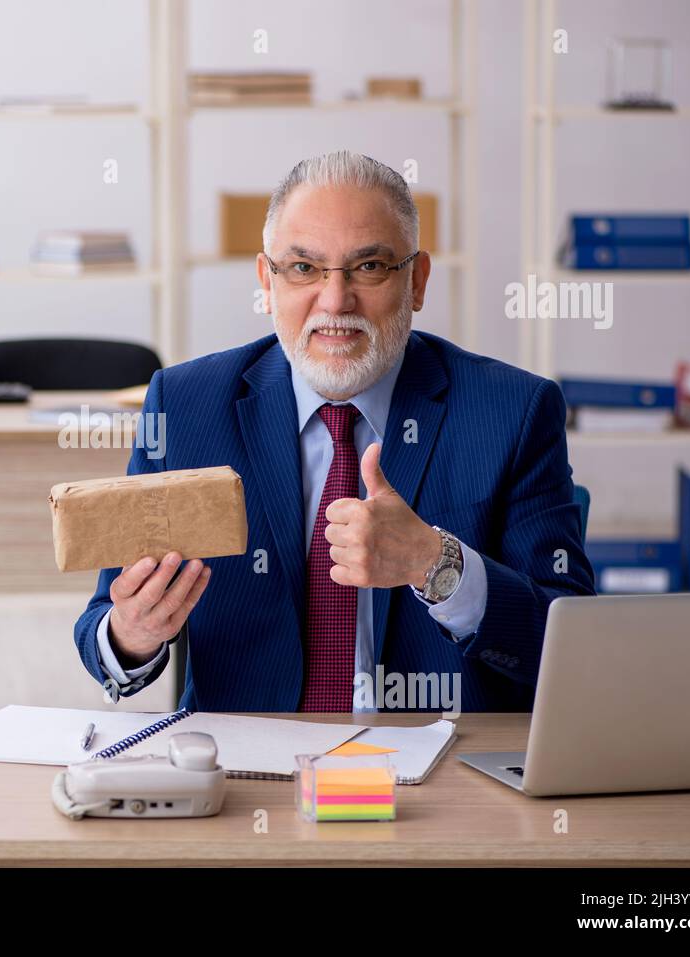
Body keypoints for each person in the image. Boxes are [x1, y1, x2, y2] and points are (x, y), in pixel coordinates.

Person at [73, 150, 595, 713]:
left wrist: (435, 563)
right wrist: (133, 633)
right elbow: (104, 637)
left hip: (446, 765)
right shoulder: (185, 406)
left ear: (416, 281)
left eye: (368, 268)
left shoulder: (512, 410)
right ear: (266, 283)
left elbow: (569, 645)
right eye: (303, 269)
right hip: (254, 767)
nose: (335, 301)